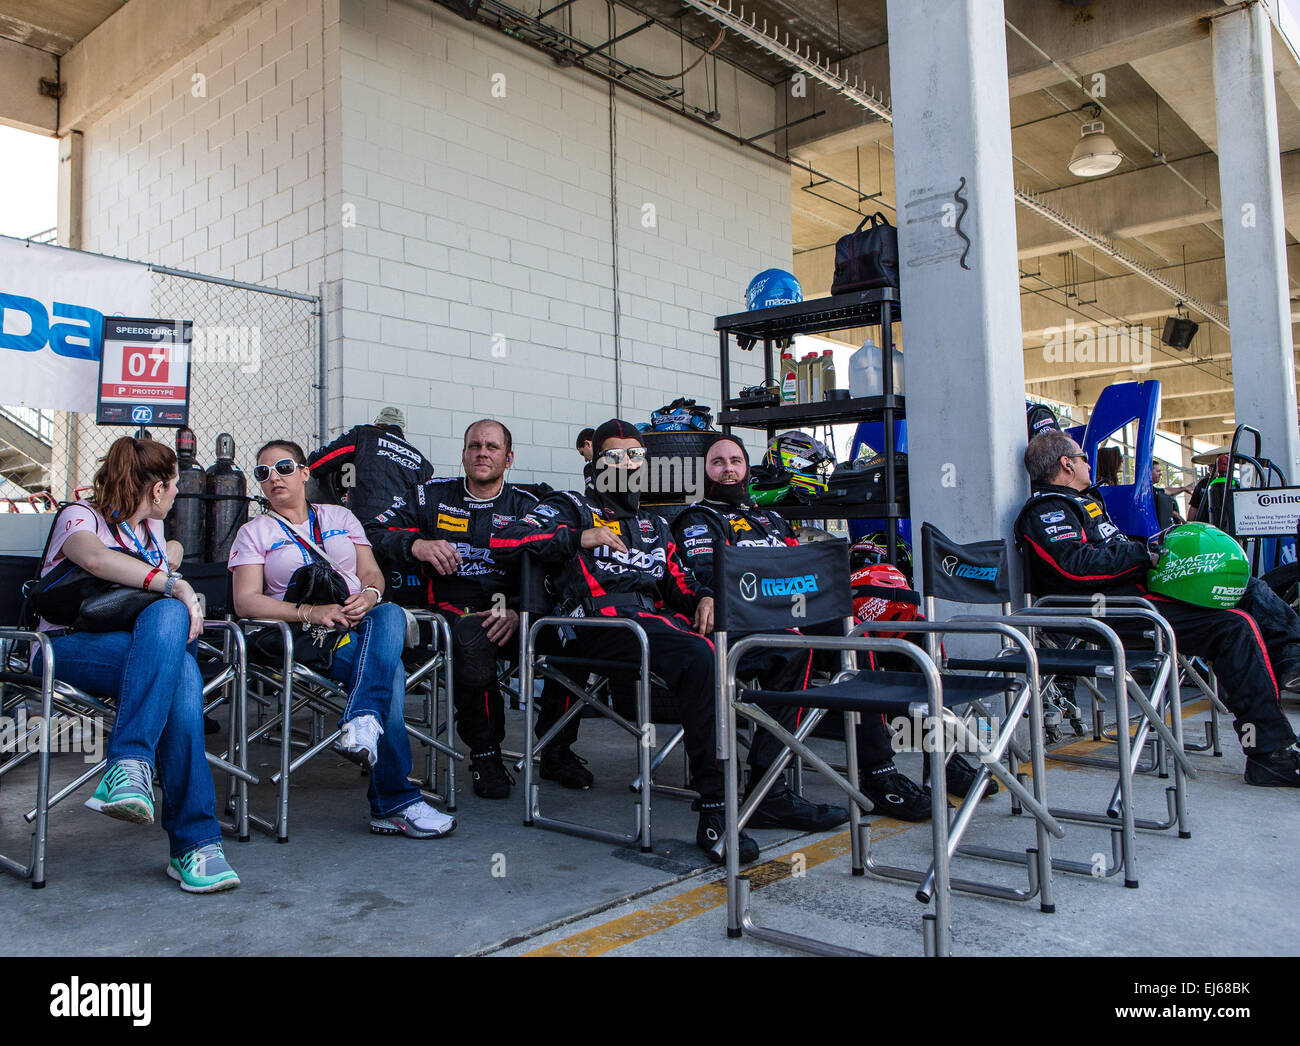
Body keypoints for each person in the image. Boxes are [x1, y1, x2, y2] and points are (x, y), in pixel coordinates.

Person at [672, 435, 989, 824]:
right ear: (704, 472)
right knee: (806, 644)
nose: (728, 468)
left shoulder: (770, 519)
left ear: (747, 467)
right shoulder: (698, 520)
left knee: (894, 630)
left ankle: (943, 758)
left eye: (735, 460)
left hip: (795, 610)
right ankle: (831, 778)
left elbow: (808, 566)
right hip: (745, 624)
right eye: (717, 462)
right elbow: (713, 578)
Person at [492, 419, 760, 864]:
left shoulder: (655, 525)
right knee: (699, 654)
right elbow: (507, 538)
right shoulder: (570, 505)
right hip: (591, 625)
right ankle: (716, 809)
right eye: (614, 456)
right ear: (595, 462)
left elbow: (679, 580)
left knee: (727, 646)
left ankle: (749, 788)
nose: (626, 464)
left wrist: (706, 596)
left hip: (649, 625)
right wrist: (579, 536)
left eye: (635, 455)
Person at [1016, 430, 1300, 788]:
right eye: (1084, 457)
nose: (1089, 462)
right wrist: (1143, 555)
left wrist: (1159, 547)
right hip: (1107, 612)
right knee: (1233, 626)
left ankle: (1291, 659)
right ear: (1066, 464)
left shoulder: (1081, 502)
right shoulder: (1048, 509)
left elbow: (1109, 551)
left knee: (1241, 585)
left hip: (1134, 601)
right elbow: (1073, 566)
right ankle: (1270, 755)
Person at [33, 436, 239, 893]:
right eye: (174, 488)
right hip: (62, 649)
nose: (176, 496)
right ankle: (194, 844)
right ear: (159, 489)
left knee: (179, 665)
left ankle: (130, 770)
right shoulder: (81, 517)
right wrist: (176, 585)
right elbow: (93, 558)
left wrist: (173, 564)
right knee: (171, 623)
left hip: (141, 658)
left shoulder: (150, 538)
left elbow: (173, 553)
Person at [229, 440, 456, 837]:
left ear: (305, 472)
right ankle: (394, 799)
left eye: (283, 467)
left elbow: (372, 575)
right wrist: (310, 612)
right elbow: (246, 602)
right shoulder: (255, 531)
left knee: (386, 610)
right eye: (262, 473)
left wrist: (367, 596)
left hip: (364, 622)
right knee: (390, 678)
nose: (273, 478)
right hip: (307, 634)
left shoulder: (341, 516)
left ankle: (363, 722)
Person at [367, 419, 536, 800]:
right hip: (447, 615)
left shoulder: (526, 506)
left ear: (508, 458)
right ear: (463, 454)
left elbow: (549, 562)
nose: (482, 452)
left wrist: (518, 610)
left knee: (571, 637)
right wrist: (416, 546)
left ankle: (557, 752)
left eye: (492, 447)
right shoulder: (430, 496)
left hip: (511, 614)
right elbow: (372, 533)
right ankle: (486, 753)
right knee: (469, 636)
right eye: (474, 445)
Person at [307, 407, 435, 524]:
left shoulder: (363, 434)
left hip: (363, 522)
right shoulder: (422, 462)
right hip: (402, 529)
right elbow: (427, 503)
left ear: (377, 424)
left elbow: (316, 463)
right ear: (402, 431)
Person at [1187, 454, 1229, 524]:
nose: (1210, 469)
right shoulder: (1203, 484)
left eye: (1213, 466)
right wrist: (1190, 524)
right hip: (1206, 527)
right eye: (1210, 466)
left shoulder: (1233, 483)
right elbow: (1193, 507)